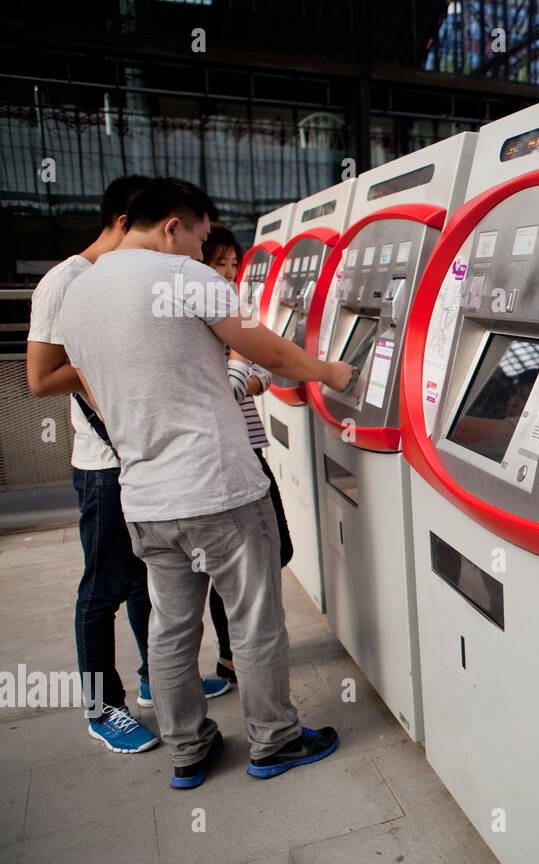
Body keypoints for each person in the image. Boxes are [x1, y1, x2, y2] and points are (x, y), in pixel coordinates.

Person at [60, 177, 356, 789]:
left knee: (171, 629)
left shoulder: (80, 295)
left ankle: (189, 750)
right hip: (218, 488)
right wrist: (330, 371)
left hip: (143, 493)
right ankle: (274, 741)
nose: (202, 252)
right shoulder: (184, 276)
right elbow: (267, 351)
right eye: (199, 237)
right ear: (175, 225)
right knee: (254, 620)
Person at [25, 176, 230, 754]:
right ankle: (100, 706)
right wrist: (115, 357)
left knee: (148, 577)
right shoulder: (67, 282)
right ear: (125, 220)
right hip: (103, 463)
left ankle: (152, 680)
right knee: (103, 585)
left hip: (144, 451)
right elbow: (40, 377)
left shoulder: (119, 279)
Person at [200, 225, 295, 684]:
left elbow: (263, 373)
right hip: (230, 458)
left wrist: (248, 372)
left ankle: (234, 654)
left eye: (235, 265)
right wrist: (245, 369)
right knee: (243, 565)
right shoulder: (204, 322)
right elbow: (237, 383)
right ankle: (238, 656)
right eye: (220, 264)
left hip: (249, 448)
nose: (229, 274)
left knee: (273, 551)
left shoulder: (231, 317)